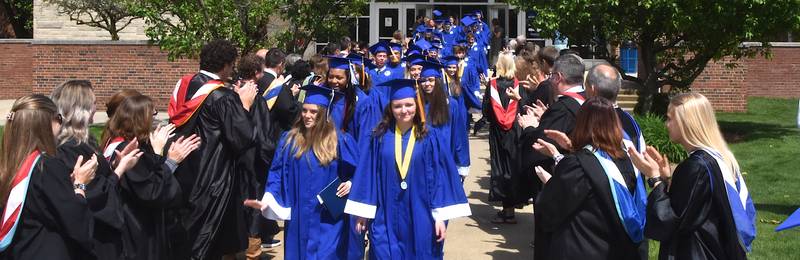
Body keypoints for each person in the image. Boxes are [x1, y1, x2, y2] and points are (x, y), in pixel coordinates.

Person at [345, 78, 471, 259]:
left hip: (421, 213)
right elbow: (368, 175)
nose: (404, 110)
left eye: (408, 105)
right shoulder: (379, 137)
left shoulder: (430, 137)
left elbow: (440, 178)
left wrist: (440, 217)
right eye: (398, 106)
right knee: (384, 252)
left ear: (416, 105)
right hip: (385, 213)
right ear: (390, 108)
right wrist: (363, 214)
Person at [628, 93, 755, 260]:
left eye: (670, 118)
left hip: (699, 252)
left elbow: (668, 222)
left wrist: (654, 178)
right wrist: (667, 179)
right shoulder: (718, 158)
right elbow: (692, 205)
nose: (666, 124)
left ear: (687, 122)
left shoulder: (697, 167)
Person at [167, 39, 260, 259]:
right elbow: (242, 139)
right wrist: (245, 106)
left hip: (184, 169)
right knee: (209, 242)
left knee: (188, 236)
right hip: (212, 176)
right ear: (226, 65)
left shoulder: (185, 85)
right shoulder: (222, 97)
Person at [244, 84, 361, 259]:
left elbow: (358, 172)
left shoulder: (339, 141)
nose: (307, 115)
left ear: (323, 114)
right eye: (304, 110)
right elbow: (276, 174)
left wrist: (350, 183)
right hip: (299, 216)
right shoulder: (289, 140)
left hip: (329, 217)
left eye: (313, 112)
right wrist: (269, 198)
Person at [532, 97, 647, 260]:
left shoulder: (578, 165)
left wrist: (551, 182)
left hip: (583, 247)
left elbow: (550, 212)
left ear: (581, 125)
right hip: (620, 250)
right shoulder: (628, 159)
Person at [101, 94, 202, 260]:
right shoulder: (131, 150)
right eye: (152, 113)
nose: (155, 117)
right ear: (140, 119)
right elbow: (153, 192)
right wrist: (170, 160)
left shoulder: (118, 142)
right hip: (137, 230)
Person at [0, 94, 99, 259]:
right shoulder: (47, 166)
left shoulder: (8, 165)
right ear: (44, 123)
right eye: (58, 118)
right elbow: (77, 226)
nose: (61, 123)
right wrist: (80, 185)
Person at [50, 80, 131, 260]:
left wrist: (114, 166)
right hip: (94, 240)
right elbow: (94, 196)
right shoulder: (70, 150)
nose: (96, 108)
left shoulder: (81, 144)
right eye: (93, 103)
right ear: (81, 110)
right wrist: (119, 171)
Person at [517, 54, 586, 203]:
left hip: (559, 179)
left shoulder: (562, 108)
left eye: (551, 76)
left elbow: (541, 145)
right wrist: (545, 118)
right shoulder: (587, 100)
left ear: (558, 77)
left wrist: (529, 127)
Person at [235, 53, 279, 258]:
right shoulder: (255, 99)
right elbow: (263, 137)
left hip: (230, 164)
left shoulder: (229, 92)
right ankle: (252, 253)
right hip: (251, 163)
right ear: (256, 73)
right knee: (252, 208)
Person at [483, 52, 532, 223]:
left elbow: (486, 111)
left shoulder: (492, 85)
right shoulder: (520, 85)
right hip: (515, 133)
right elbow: (526, 107)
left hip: (498, 134)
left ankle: (507, 210)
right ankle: (511, 209)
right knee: (513, 167)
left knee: (500, 167)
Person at [442, 56, 471, 181]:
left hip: (459, 115)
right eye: (449, 67)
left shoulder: (459, 82)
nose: (452, 69)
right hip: (446, 117)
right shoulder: (441, 82)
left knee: (459, 142)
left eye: (454, 67)